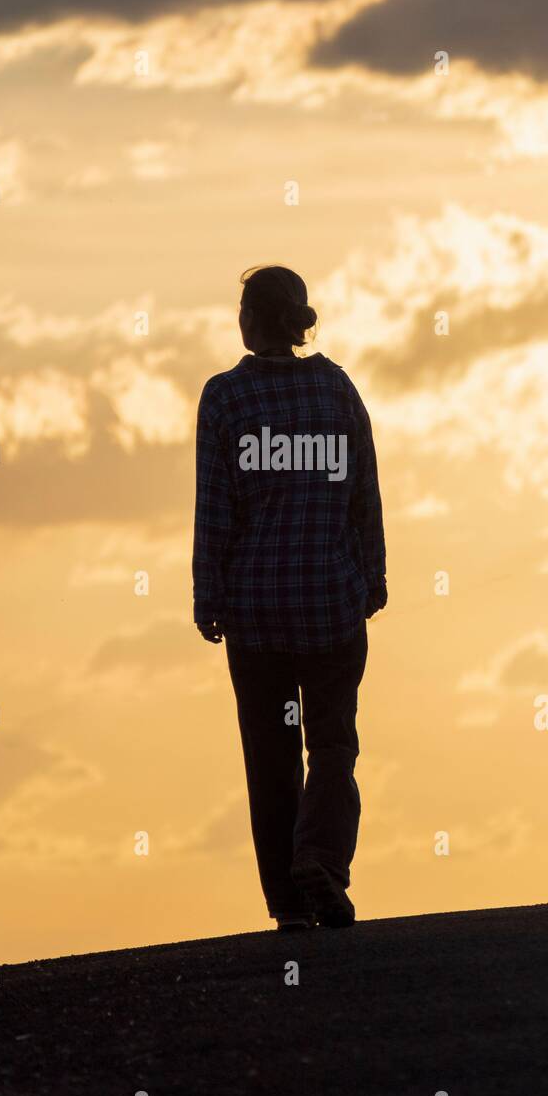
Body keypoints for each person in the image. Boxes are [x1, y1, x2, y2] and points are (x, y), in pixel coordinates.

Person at [192, 265, 386, 931]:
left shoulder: (224, 400)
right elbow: (365, 494)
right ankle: (322, 861)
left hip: (257, 612)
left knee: (269, 759)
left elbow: (214, 511)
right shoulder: (336, 391)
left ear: (251, 320)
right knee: (331, 748)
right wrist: (374, 577)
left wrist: (207, 594)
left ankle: (288, 905)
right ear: (299, 320)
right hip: (331, 605)